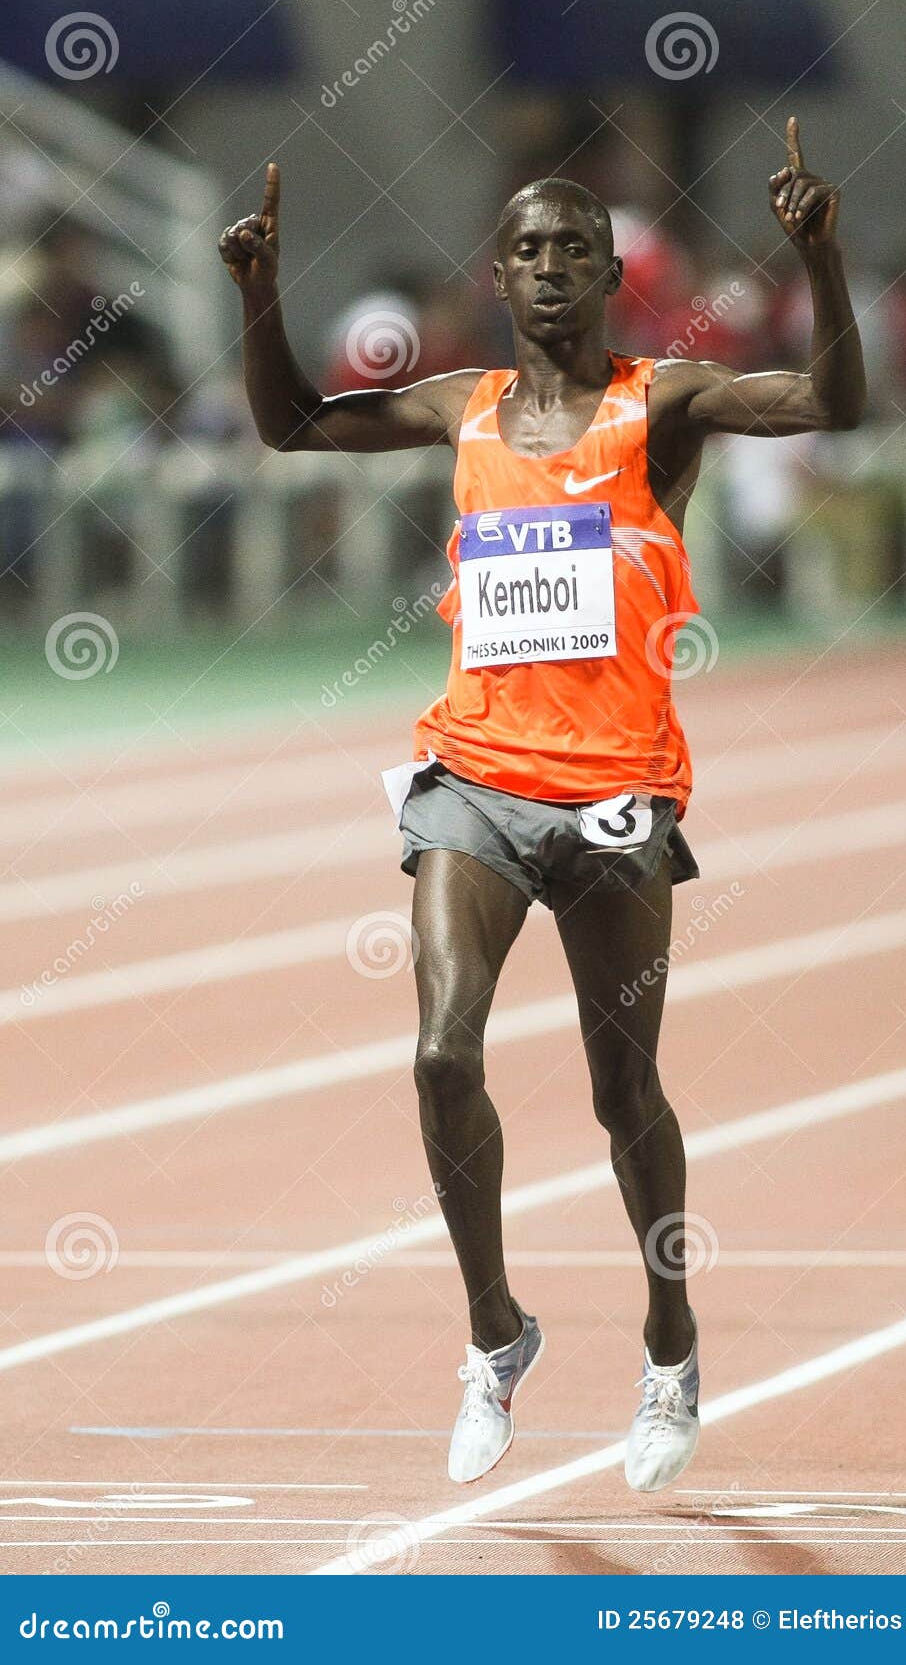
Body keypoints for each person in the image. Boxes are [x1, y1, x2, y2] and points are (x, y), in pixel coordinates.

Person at [219, 117, 865, 1492]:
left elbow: (831, 405)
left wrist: (822, 261)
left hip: (618, 794)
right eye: (526, 249)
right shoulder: (458, 407)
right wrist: (258, 294)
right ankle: (495, 1336)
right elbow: (286, 425)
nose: (551, 265)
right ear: (497, 277)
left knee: (620, 1084)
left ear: (610, 268)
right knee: (442, 1053)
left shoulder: (665, 400)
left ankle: (669, 1346)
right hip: (476, 777)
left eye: (574, 245)